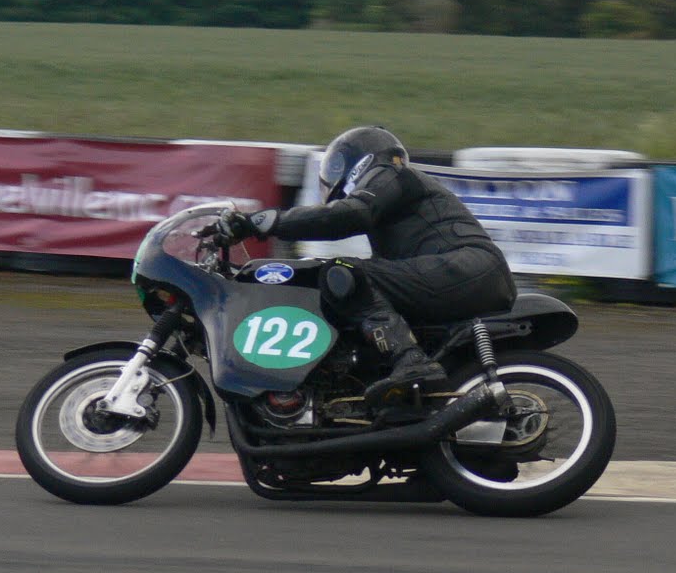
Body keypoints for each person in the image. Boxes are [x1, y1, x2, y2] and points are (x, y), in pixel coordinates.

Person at [221, 126, 516, 405]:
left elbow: (348, 215)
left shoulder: (391, 174)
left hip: (467, 267)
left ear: (360, 160)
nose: (333, 174)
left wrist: (264, 221)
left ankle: (410, 361)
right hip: (463, 271)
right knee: (354, 285)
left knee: (343, 271)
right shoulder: (396, 203)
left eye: (337, 165)